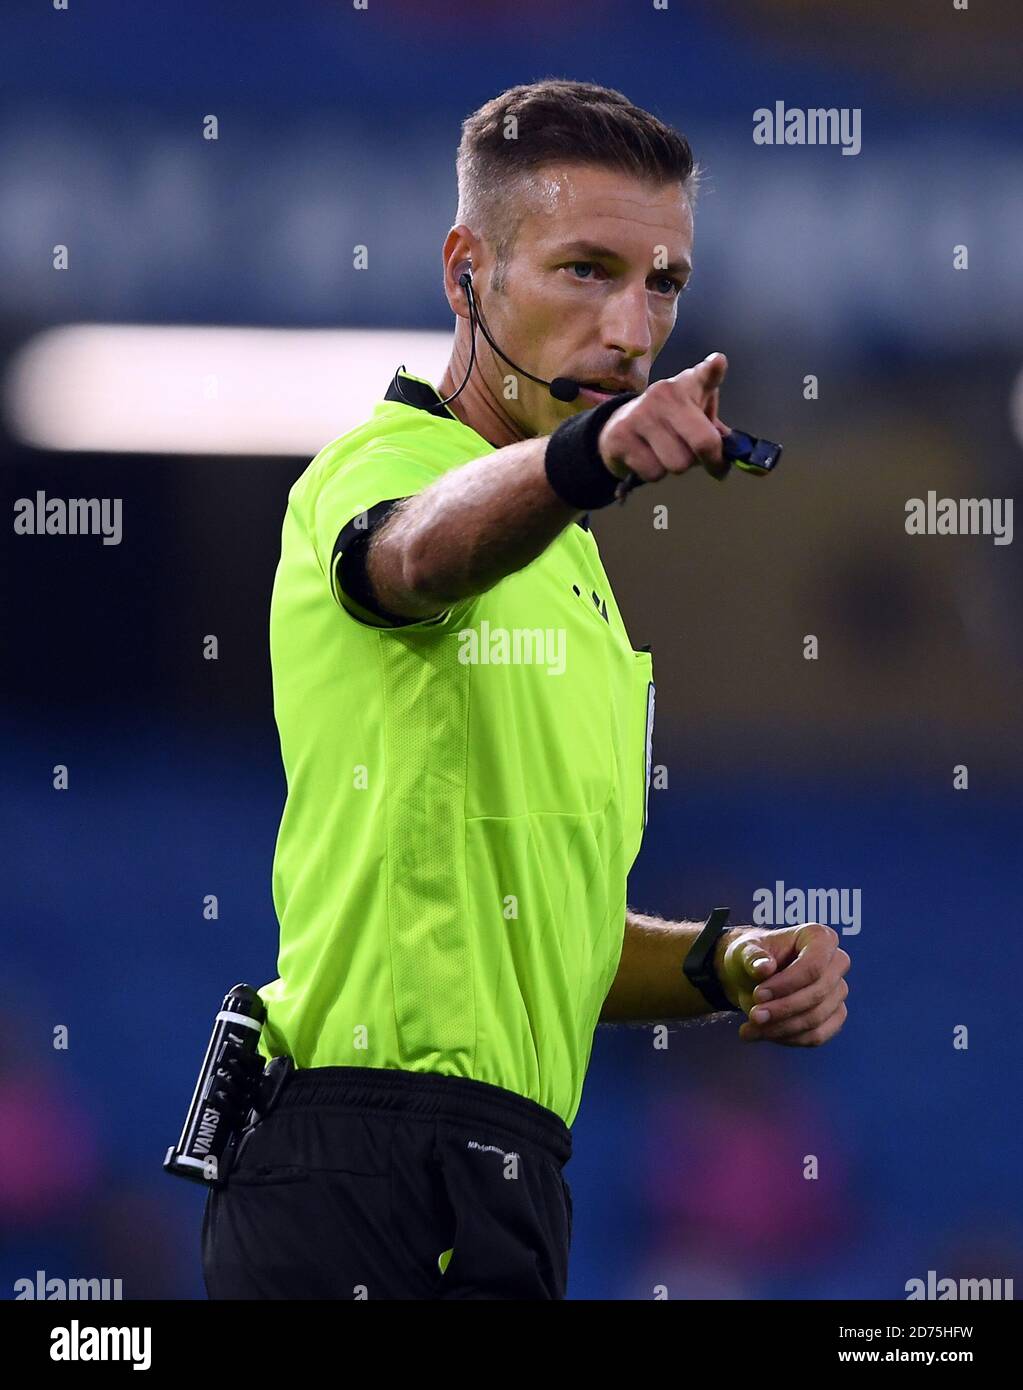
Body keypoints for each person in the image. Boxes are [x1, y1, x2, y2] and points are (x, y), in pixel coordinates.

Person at [201, 78, 850, 1302]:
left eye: (662, 282)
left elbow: (549, 939)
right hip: (365, 1159)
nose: (632, 327)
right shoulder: (384, 467)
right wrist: (583, 459)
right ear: (467, 272)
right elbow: (408, 553)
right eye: (585, 270)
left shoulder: (570, 567)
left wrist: (726, 962)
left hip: (502, 1173)